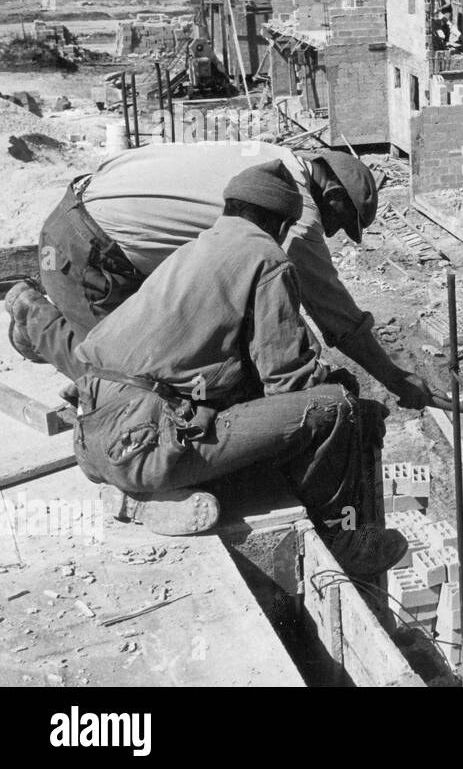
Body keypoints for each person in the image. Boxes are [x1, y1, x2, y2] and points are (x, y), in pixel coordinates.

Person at [36, 162, 406, 572]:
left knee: (247, 413)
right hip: (146, 441)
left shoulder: (194, 249)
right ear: (282, 224)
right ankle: (347, 543)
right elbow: (288, 383)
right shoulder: (267, 259)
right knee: (335, 406)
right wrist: (333, 382)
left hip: (95, 440)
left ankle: (146, 495)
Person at [7, 141, 438, 411]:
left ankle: (44, 319)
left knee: (175, 358)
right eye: (339, 222)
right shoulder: (297, 210)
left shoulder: (274, 158)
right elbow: (336, 319)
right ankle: (33, 314)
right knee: (115, 384)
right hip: (91, 246)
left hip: (99, 221)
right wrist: (396, 379)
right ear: (331, 194)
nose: (332, 233)